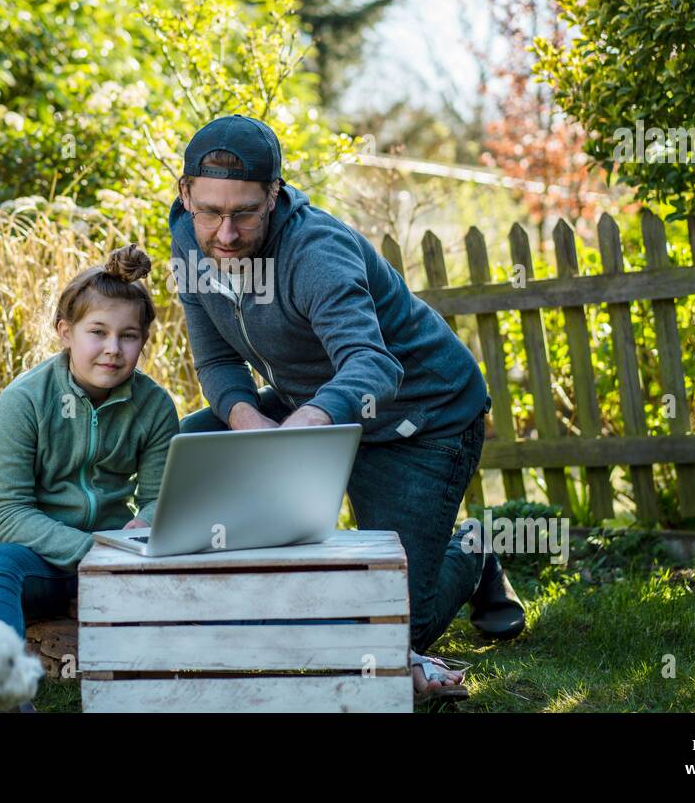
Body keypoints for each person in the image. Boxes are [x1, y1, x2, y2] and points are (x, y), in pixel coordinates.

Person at [168, 113, 525, 705]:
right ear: (186, 194)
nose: (224, 234)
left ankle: (474, 547)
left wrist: (304, 425)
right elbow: (216, 364)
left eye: (244, 213)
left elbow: (374, 365)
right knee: (188, 443)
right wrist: (253, 426)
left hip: (421, 416)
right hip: (310, 410)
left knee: (389, 627)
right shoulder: (188, 236)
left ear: (275, 196)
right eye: (210, 211)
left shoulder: (316, 251)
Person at [0, 244, 180, 710]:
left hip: (123, 563)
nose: (112, 349)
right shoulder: (24, 401)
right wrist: (90, 552)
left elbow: (162, 497)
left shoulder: (155, 405)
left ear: (144, 341)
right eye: (97, 332)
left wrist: (147, 522)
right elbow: (7, 512)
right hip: (45, 562)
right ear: (65, 331)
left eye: (129, 336)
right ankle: (4, 695)